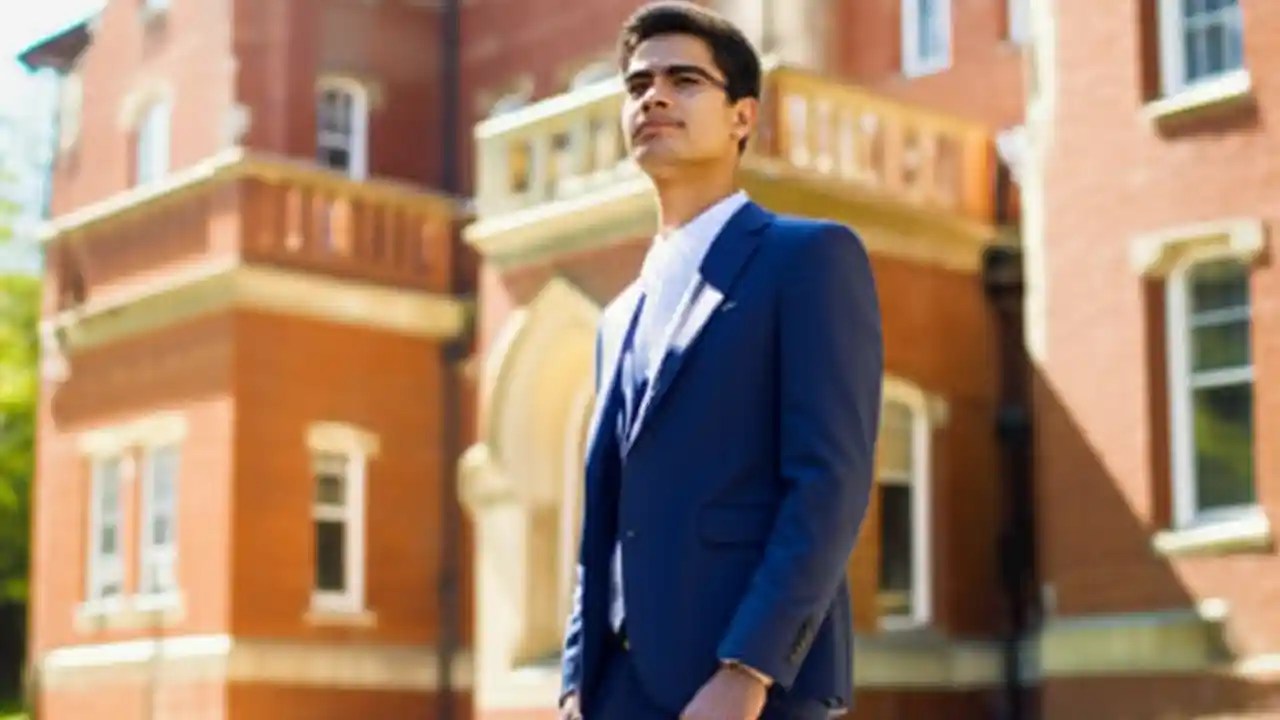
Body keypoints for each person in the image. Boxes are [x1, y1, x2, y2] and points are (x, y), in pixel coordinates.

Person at [558, 2, 883, 718]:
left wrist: (749, 669)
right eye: (638, 84)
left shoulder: (808, 259)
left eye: (685, 80)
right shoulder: (617, 318)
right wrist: (578, 679)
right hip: (616, 693)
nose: (655, 97)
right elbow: (606, 520)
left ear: (742, 117)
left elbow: (830, 482)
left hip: (745, 691)